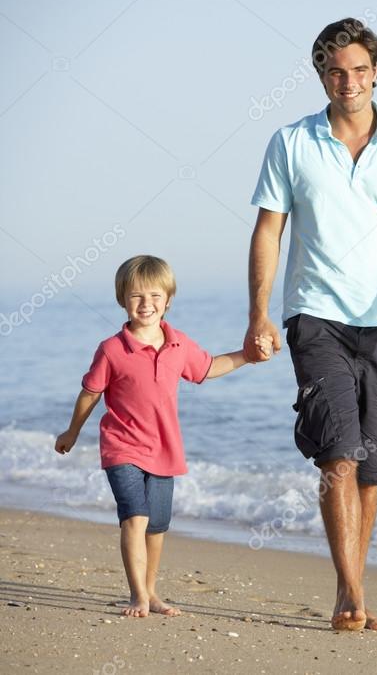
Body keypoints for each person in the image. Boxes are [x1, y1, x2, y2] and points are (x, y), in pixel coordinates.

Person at [245, 17, 377, 632]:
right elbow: (268, 231)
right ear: (321, 75)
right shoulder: (290, 142)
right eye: (336, 71)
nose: (349, 81)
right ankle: (351, 598)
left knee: (371, 462)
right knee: (336, 453)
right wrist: (259, 311)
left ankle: (352, 588)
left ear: (376, 73)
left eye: (360, 70)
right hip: (315, 315)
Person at [54, 255, 270, 618]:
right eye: (136, 296)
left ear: (168, 300)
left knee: (156, 525)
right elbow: (90, 393)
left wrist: (246, 356)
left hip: (165, 449)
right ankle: (137, 595)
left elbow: (207, 368)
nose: (146, 304)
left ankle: (151, 592)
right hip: (121, 447)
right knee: (134, 517)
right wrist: (72, 431)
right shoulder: (111, 349)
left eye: (155, 295)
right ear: (122, 299)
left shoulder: (178, 344)